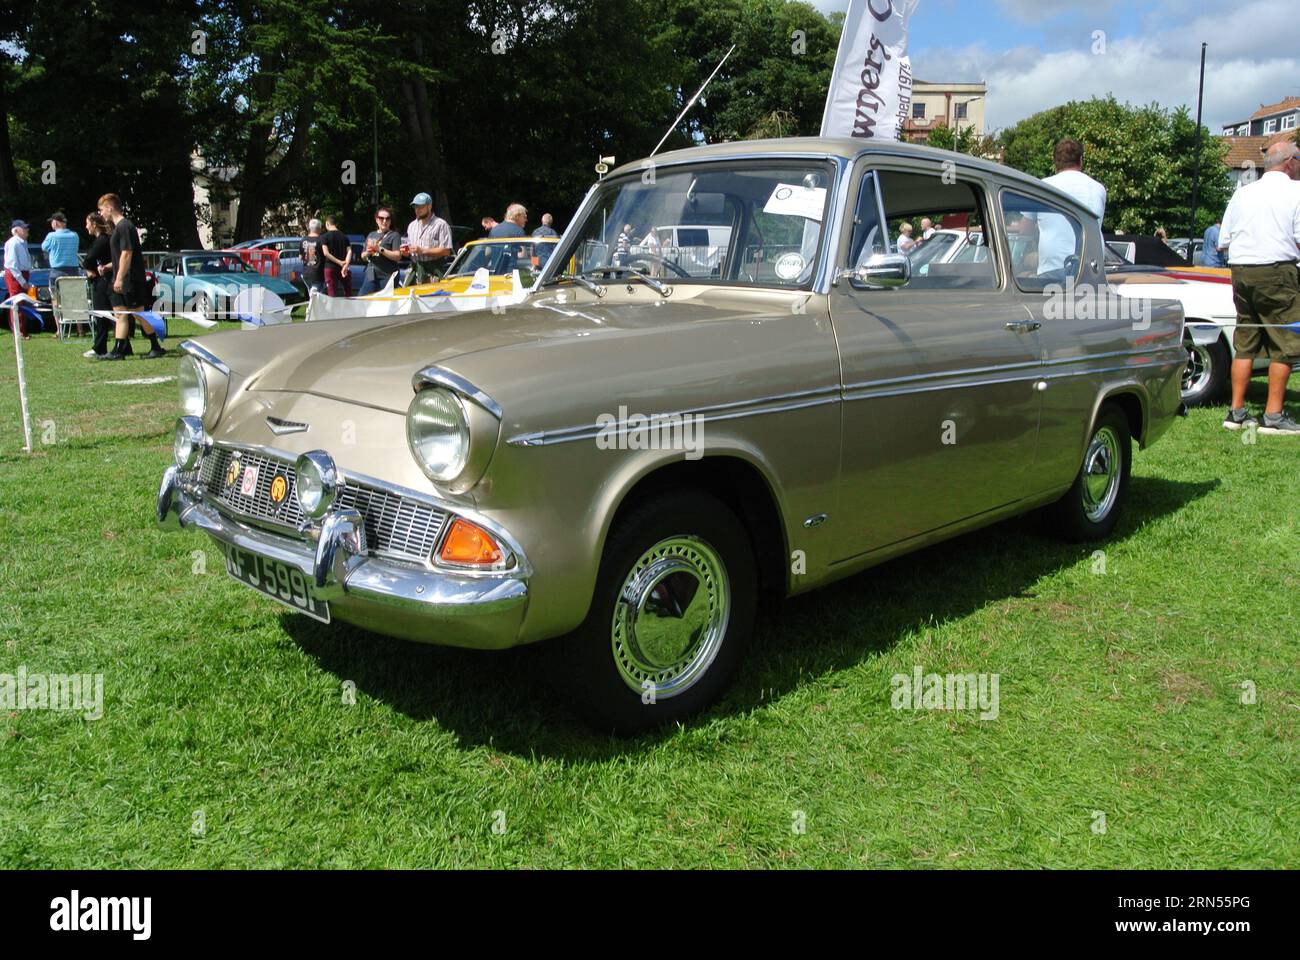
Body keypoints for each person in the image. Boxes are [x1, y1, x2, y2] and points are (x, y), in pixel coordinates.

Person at [1218, 140, 1300, 435]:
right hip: (1277, 270)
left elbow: (1222, 240)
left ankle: (1236, 412)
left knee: (1246, 341)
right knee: (1285, 342)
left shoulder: (1243, 192)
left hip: (1241, 271)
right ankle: (1273, 415)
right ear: (1290, 162)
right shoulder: (1296, 191)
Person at [98, 193, 164, 360]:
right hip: (120, 278)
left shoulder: (125, 227)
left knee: (138, 313)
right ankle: (118, 350)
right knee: (121, 314)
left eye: (101, 210)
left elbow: (127, 254)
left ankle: (156, 347)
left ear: (109, 207)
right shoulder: (117, 229)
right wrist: (108, 267)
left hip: (130, 280)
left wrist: (119, 278)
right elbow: (120, 256)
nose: (101, 214)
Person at [1035, 137, 1107, 277]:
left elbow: (1024, 228)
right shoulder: (1098, 189)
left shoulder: (1042, 187)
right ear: (1081, 160)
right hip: (1090, 268)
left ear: (1055, 161)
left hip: (1051, 267)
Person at [82, 212, 117, 358]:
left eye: (87, 223)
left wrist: (91, 270)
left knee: (102, 315)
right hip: (105, 280)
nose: (86, 227)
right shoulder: (105, 239)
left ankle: (100, 347)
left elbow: (88, 259)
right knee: (111, 315)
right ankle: (121, 345)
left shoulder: (102, 240)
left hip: (103, 281)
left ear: (94, 224)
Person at [405, 192, 452, 284]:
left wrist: (423, 251)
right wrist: (406, 252)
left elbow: (446, 251)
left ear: (429, 206)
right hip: (415, 270)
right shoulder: (411, 226)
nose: (418, 210)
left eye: (421, 207)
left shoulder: (441, 224)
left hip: (434, 271)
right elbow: (410, 251)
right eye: (415, 207)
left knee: (432, 298)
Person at [42, 212, 82, 315]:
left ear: (55, 223)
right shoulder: (74, 235)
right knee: (75, 299)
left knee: (55, 299)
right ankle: (79, 328)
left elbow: (44, 247)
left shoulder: (51, 236)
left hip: (57, 271)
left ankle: (59, 328)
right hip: (73, 270)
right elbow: (76, 249)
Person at [358, 206, 402, 295]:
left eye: (387, 219)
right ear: (376, 219)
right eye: (381, 218)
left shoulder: (394, 235)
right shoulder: (371, 234)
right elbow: (363, 256)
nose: (384, 221)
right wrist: (368, 252)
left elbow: (397, 256)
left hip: (387, 275)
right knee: (362, 299)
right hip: (371, 274)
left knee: (385, 304)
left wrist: (379, 249)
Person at [3, 220, 33, 338]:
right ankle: (18, 332)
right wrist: (22, 281)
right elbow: (12, 264)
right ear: (15, 230)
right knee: (17, 302)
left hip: (22, 273)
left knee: (23, 302)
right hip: (15, 275)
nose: (27, 230)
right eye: (23, 228)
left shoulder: (22, 242)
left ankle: (22, 330)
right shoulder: (13, 243)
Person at [318, 214, 352, 297]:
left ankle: (332, 309)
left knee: (332, 293)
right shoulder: (344, 237)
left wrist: (339, 262)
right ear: (336, 224)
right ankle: (349, 308)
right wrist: (346, 264)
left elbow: (326, 253)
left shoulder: (324, 237)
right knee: (348, 291)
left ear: (327, 224)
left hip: (330, 267)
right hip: (344, 268)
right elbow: (350, 251)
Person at [299, 218, 325, 295]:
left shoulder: (303, 240)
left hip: (306, 272)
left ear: (309, 228)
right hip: (318, 273)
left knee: (312, 295)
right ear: (319, 228)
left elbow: (300, 257)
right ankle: (311, 305)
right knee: (315, 296)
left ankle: (311, 304)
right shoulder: (321, 240)